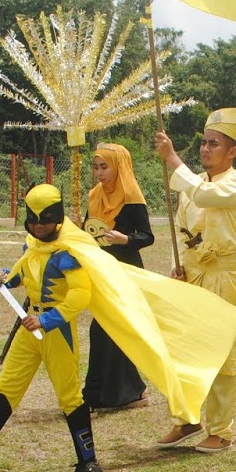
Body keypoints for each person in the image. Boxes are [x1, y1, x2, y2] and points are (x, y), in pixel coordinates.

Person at [0, 184, 104, 472]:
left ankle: (89, 461)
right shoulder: (33, 244)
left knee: (69, 395)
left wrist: (48, 321)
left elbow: (81, 295)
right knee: (8, 386)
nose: (39, 228)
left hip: (57, 331)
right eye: (34, 222)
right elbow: (20, 274)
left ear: (57, 218)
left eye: (44, 222)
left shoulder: (69, 250)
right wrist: (0, 274)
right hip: (30, 326)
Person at [155, 108, 236, 452]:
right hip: (194, 275)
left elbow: (204, 195)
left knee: (223, 355)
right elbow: (183, 230)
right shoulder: (192, 184)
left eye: (214, 144)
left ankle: (221, 431)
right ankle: (186, 419)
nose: (206, 149)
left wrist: (172, 159)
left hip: (226, 277)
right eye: (204, 143)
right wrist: (177, 265)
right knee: (183, 350)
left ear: (231, 152)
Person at [81, 142, 153, 410]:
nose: (100, 173)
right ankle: (125, 392)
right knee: (102, 331)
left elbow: (147, 236)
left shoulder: (131, 196)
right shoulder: (94, 196)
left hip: (126, 269)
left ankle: (112, 394)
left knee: (112, 330)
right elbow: (89, 231)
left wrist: (126, 239)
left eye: (105, 167)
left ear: (119, 166)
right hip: (101, 269)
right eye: (96, 167)